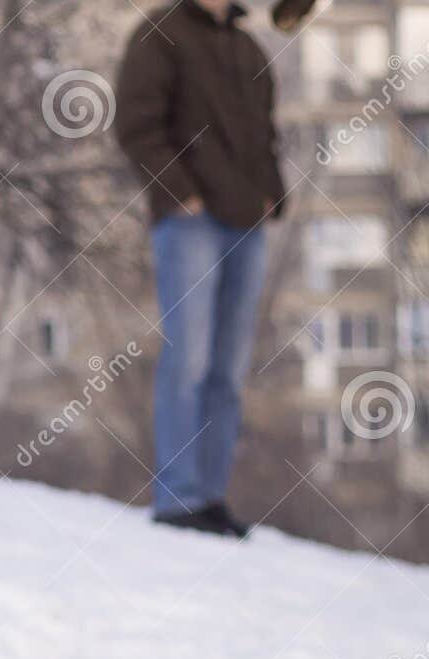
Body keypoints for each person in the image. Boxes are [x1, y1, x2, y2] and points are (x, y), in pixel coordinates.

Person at [115, 0, 289, 538]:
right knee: (186, 361)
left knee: (228, 371)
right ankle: (177, 498)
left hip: (247, 225)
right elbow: (136, 126)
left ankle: (210, 497)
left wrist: (273, 196)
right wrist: (182, 193)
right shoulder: (159, 34)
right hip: (189, 223)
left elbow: (265, 136)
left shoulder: (248, 46)